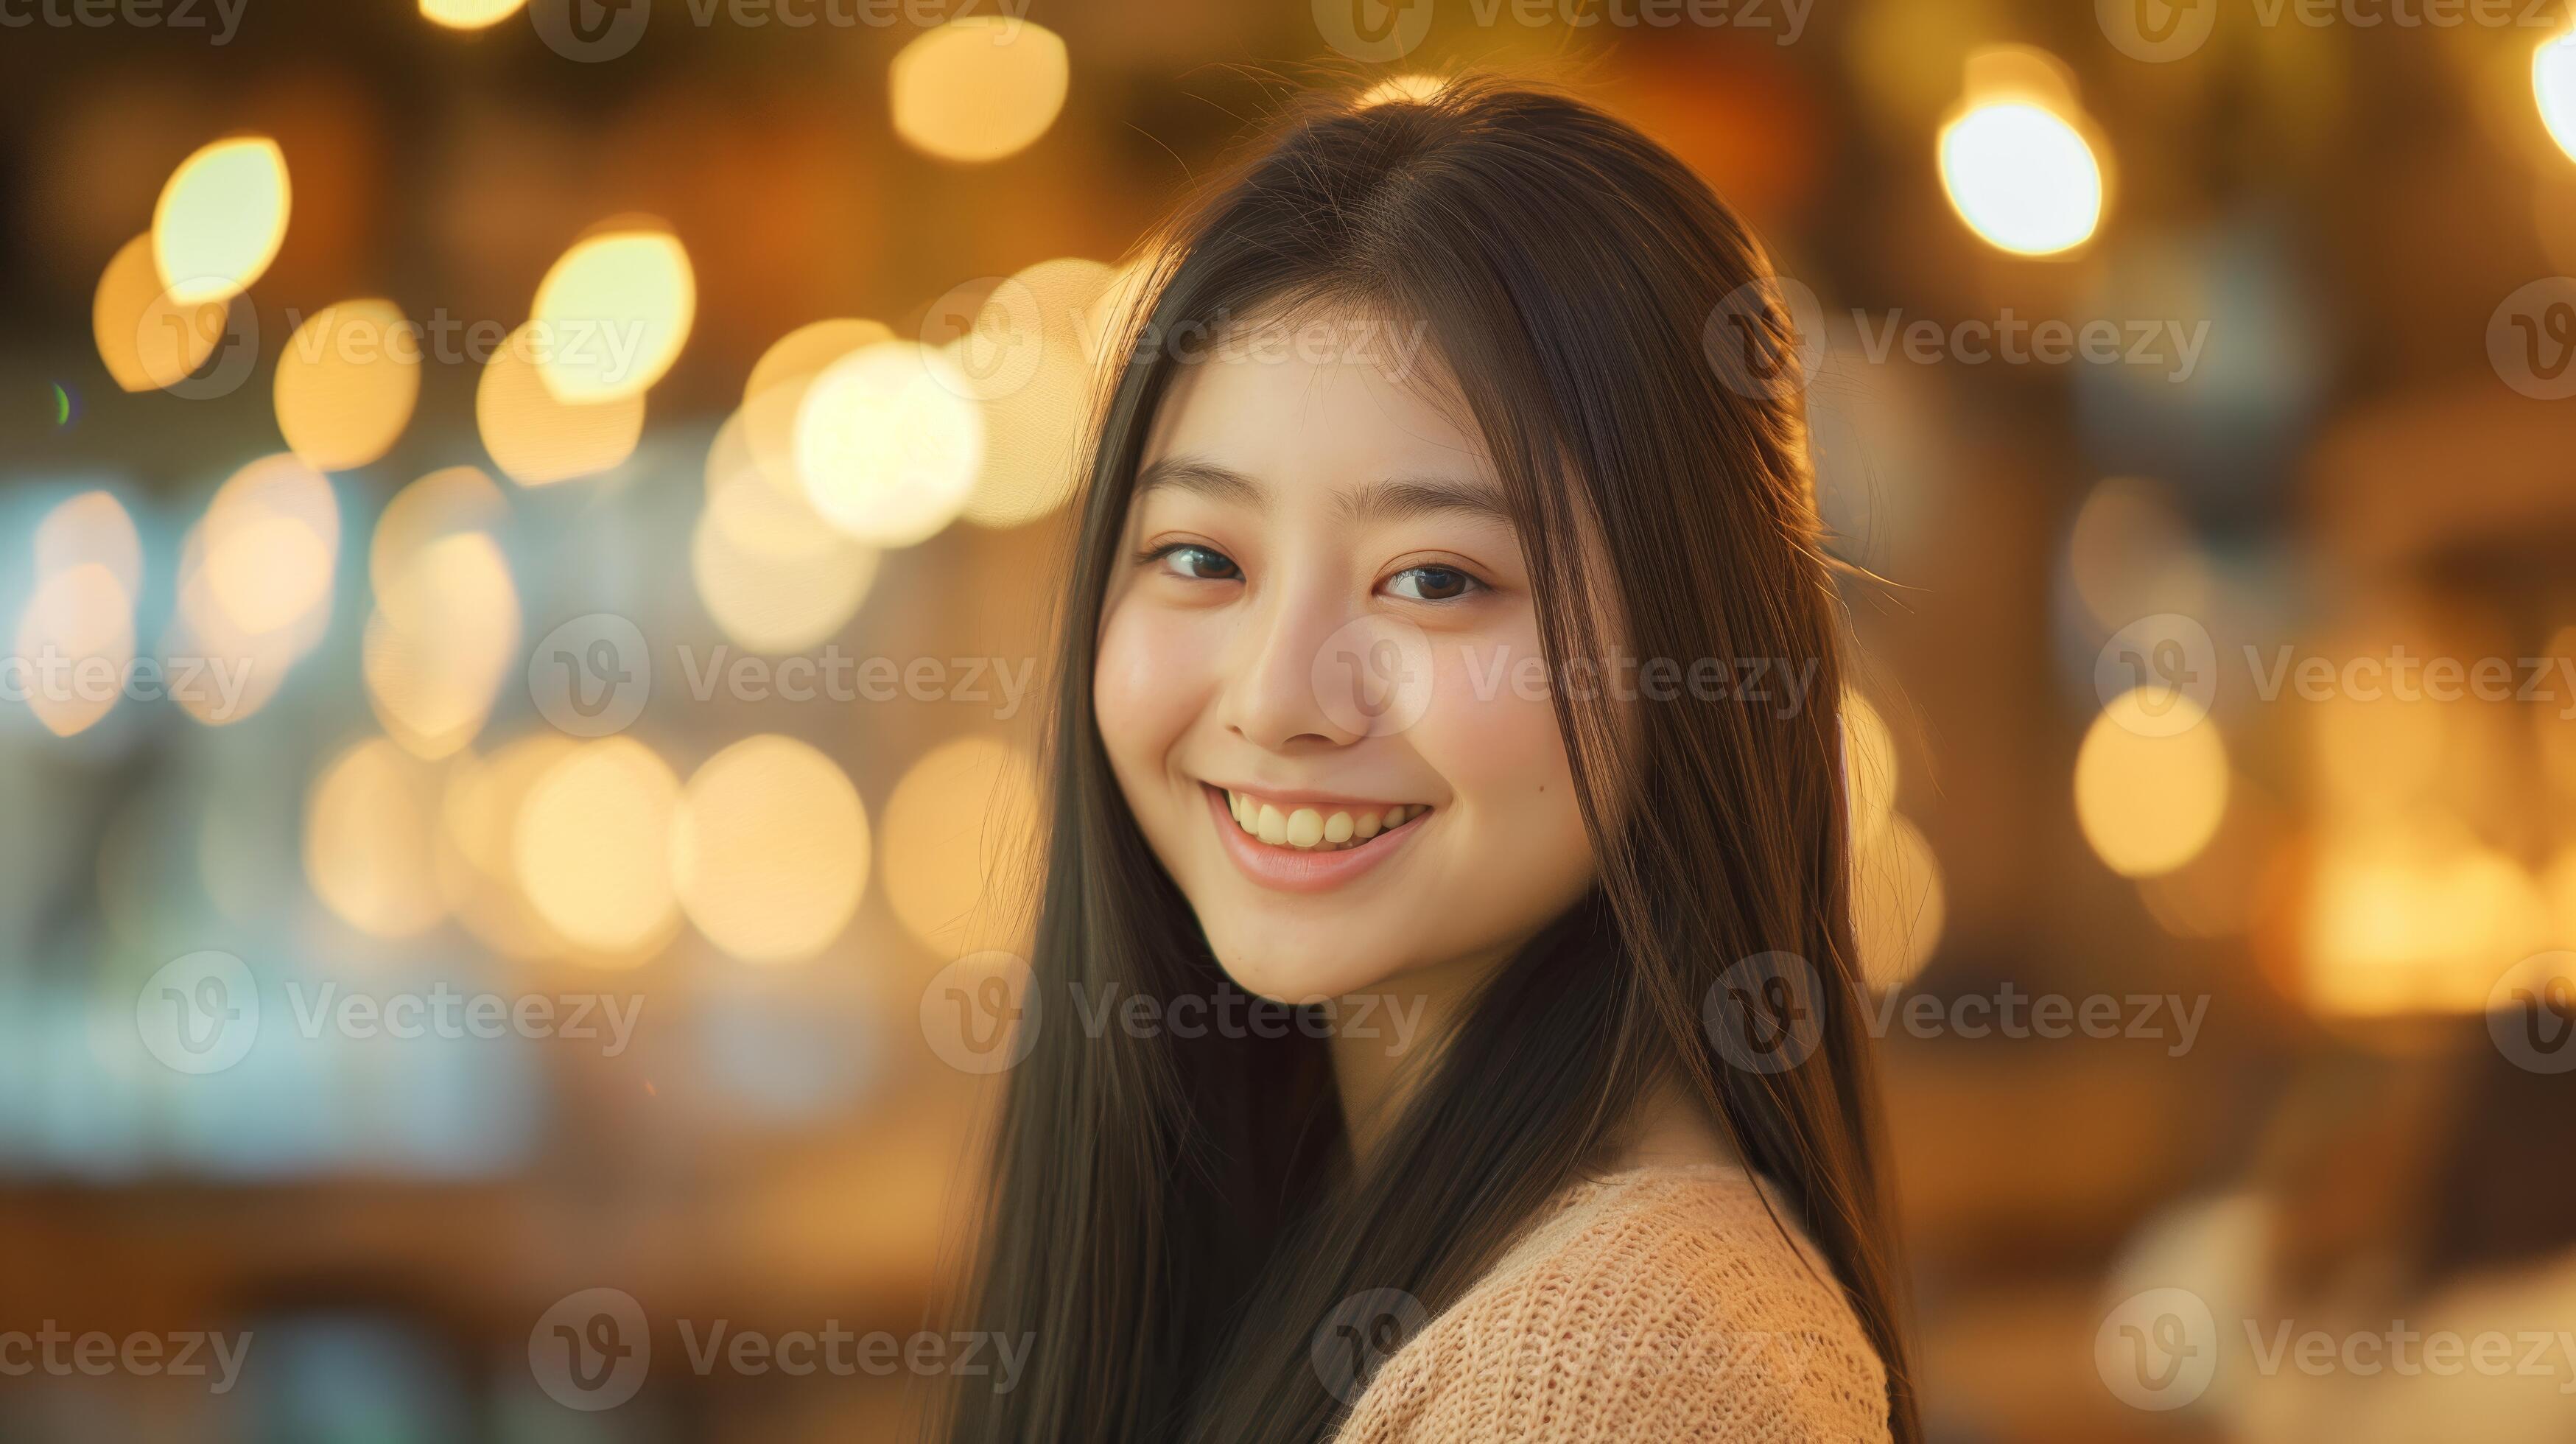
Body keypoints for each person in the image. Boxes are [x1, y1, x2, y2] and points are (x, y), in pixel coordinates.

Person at [939, 75, 1916, 1443]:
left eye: (1435, 580)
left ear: (1697, 650)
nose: (1282, 698)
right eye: (1201, 557)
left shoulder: (1629, 1374)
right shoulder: (1314, 1224)